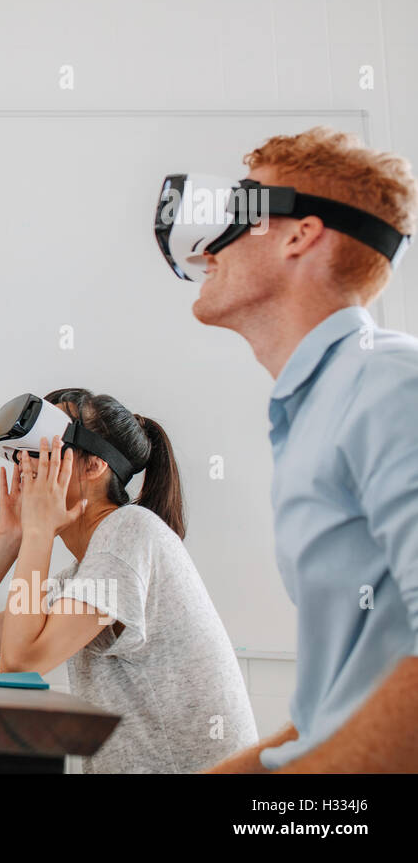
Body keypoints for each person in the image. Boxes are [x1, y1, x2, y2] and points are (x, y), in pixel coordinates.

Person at [185, 128, 418, 772]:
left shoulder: (388, 385)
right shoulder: (316, 406)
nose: (207, 249)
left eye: (238, 217)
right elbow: (330, 714)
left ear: (298, 235)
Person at [0, 388, 257, 773]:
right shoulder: (80, 578)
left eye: (45, 452)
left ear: (95, 466)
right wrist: (8, 539)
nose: (27, 467)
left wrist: (40, 532)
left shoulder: (129, 532)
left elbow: (21, 663)